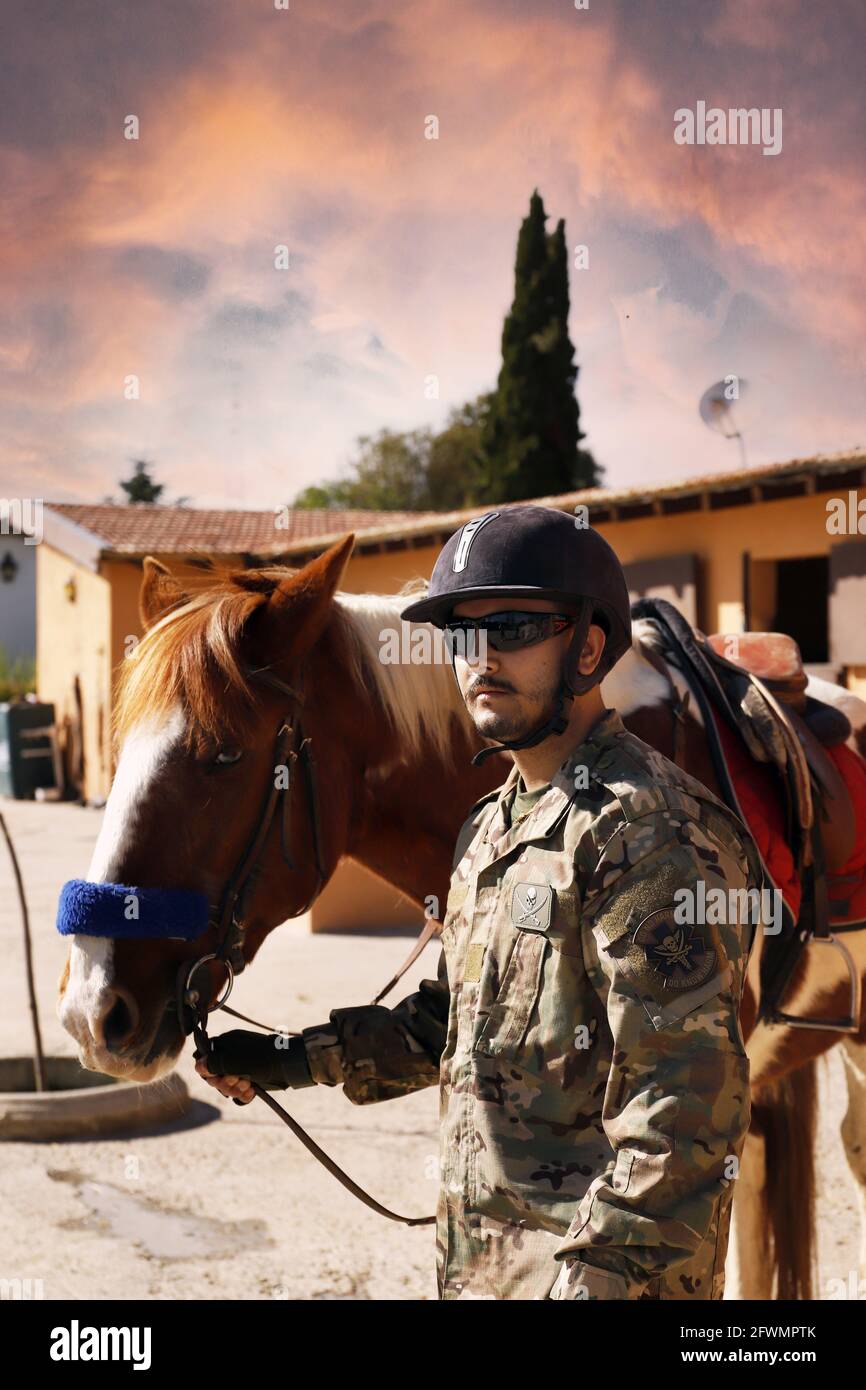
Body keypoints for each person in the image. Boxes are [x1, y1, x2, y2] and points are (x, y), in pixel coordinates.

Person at [197, 505, 761, 1301]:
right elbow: (460, 1023)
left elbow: (683, 1119)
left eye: (513, 627)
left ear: (589, 647)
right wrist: (293, 1061)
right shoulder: (494, 826)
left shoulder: (651, 836)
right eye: (462, 634)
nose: (481, 657)